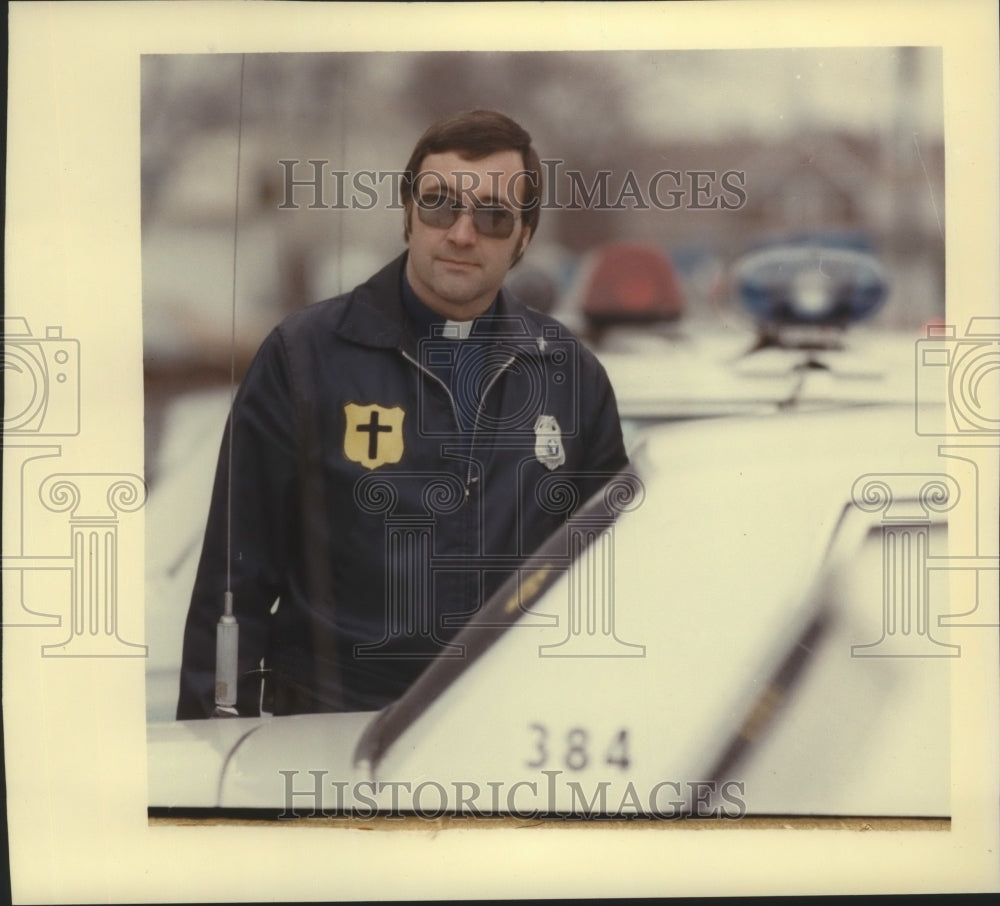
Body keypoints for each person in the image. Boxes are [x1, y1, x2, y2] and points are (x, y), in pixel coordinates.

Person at [176, 109, 628, 719]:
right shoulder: (304, 357)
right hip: (329, 728)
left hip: (506, 728)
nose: (462, 234)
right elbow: (234, 583)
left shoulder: (569, 375)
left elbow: (610, 578)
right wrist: (214, 737)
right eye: (440, 205)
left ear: (524, 237)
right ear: (408, 212)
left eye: (493, 216)